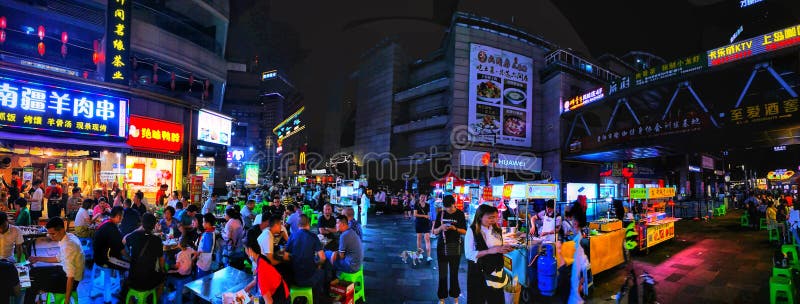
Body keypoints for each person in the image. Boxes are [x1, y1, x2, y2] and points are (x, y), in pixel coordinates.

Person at [26, 217, 84, 304]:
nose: (51, 237)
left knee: (33, 283)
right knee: (33, 272)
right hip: (64, 272)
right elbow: (58, 258)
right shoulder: (68, 236)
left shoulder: (68, 246)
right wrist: (37, 258)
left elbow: (70, 277)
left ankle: (32, 300)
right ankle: (36, 298)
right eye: (49, 234)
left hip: (71, 281)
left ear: (61, 230)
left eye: (53, 234)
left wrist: (67, 300)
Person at [465, 204, 512, 304]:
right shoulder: (472, 230)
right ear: (480, 216)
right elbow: (469, 254)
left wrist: (503, 249)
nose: (493, 220)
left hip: (495, 271)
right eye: (490, 217)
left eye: (495, 217)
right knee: (477, 299)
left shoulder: (497, 230)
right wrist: (490, 251)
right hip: (478, 272)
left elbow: (498, 247)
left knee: (496, 299)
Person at [432, 195, 467, 304]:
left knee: (454, 273)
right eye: (446, 208)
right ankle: (441, 298)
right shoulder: (441, 214)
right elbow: (434, 231)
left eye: (450, 207)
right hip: (442, 246)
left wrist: (455, 228)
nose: (448, 210)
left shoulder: (460, 214)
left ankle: (455, 297)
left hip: (455, 246)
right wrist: (441, 228)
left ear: (454, 203)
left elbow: (465, 231)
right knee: (442, 273)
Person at [242, 227, 290, 304]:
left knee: (254, 301)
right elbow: (257, 280)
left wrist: (253, 300)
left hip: (280, 299)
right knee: (253, 300)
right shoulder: (261, 259)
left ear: (250, 250)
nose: (245, 252)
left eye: (245, 249)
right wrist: (247, 288)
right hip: (276, 294)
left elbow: (269, 301)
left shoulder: (262, 270)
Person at [123, 213, 165, 299]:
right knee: (162, 279)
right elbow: (161, 260)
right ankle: (156, 299)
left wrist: (128, 257)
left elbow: (123, 240)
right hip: (149, 279)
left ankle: (130, 300)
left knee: (125, 279)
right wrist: (162, 270)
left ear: (142, 223)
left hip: (133, 278)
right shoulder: (157, 240)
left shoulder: (135, 235)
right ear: (154, 226)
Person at [286, 214, 325, 293]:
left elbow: (286, 256)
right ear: (309, 223)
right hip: (309, 279)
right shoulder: (313, 236)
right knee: (323, 271)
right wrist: (317, 264)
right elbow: (322, 258)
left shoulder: (292, 236)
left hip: (294, 279)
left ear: (298, 224)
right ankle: (318, 296)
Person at [93, 206, 128, 271]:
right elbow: (121, 249)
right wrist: (130, 258)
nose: (123, 218)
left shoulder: (106, 220)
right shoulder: (112, 229)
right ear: (118, 216)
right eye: (122, 216)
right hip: (103, 260)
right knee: (129, 265)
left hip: (97, 255)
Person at [196, 213, 217, 277]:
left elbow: (207, 249)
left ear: (208, 223)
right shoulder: (211, 231)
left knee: (202, 278)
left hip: (204, 260)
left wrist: (197, 253)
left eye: (203, 222)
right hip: (207, 260)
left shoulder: (208, 234)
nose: (202, 224)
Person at [414, 195, 432, 261]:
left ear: (426, 198)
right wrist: (424, 215)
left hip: (426, 223)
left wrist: (428, 216)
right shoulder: (417, 204)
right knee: (419, 238)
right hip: (418, 223)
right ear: (419, 197)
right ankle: (419, 254)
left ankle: (429, 256)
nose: (423, 198)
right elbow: (415, 214)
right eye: (421, 197)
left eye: (424, 197)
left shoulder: (427, 205)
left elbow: (428, 214)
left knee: (427, 239)